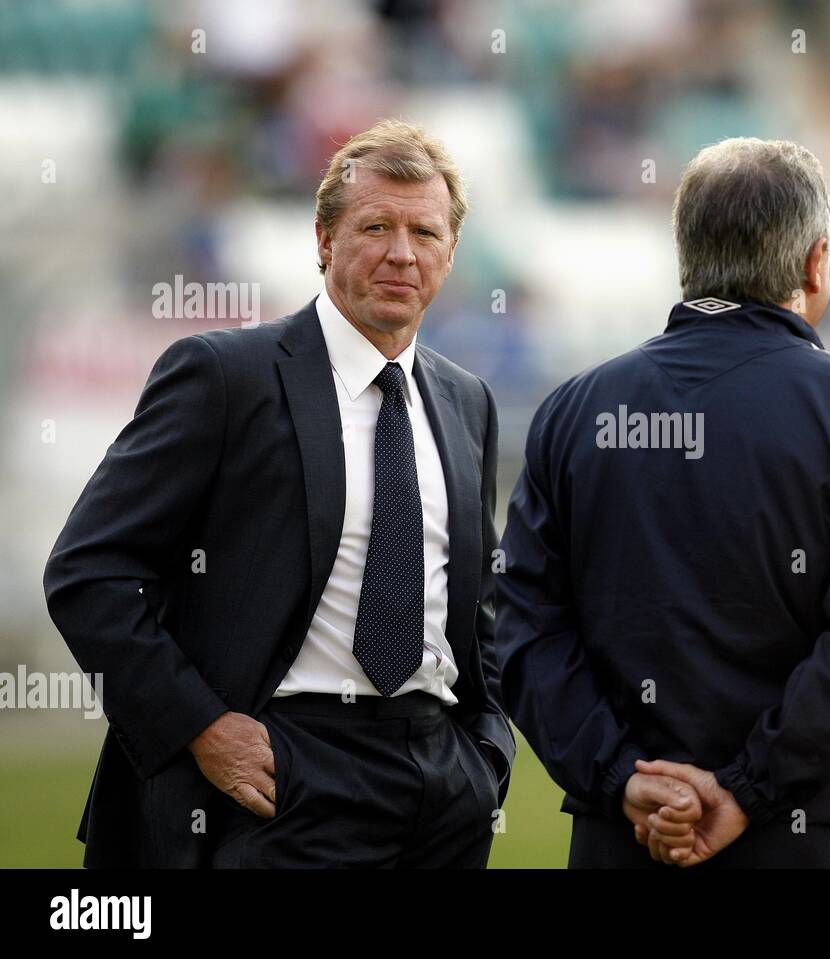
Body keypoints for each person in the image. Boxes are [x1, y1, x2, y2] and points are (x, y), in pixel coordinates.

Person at [44, 119, 514, 868]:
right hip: (281, 778)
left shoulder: (467, 400)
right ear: (324, 239)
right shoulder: (226, 377)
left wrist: (486, 752)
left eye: (424, 232)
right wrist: (201, 726)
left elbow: (477, 602)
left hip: (442, 795)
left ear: (451, 253)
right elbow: (87, 572)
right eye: (376, 226)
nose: (401, 252)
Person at [494, 137, 830, 868]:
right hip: (814, 832)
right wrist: (748, 788)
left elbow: (526, 630)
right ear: (815, 260)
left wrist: (622, 777)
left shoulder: (573, 409)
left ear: (686, 254)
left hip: (624, 837)